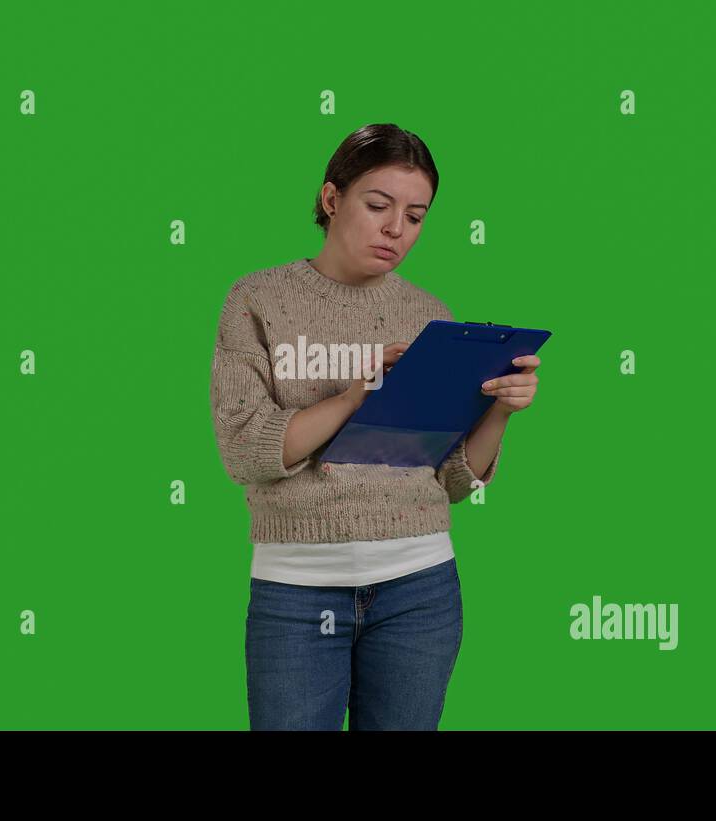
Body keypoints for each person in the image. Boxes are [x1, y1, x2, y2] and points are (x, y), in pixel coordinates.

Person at [209, 123, 540, 730]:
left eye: (415, 217)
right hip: (297, 590)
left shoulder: (430, 316)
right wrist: (356, 394)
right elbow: (244, 452)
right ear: (332, 199)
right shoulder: (258, 299)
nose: (396, 230)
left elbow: (453, 481)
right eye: (378, 206)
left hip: (420, 589)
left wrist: (500, 409)